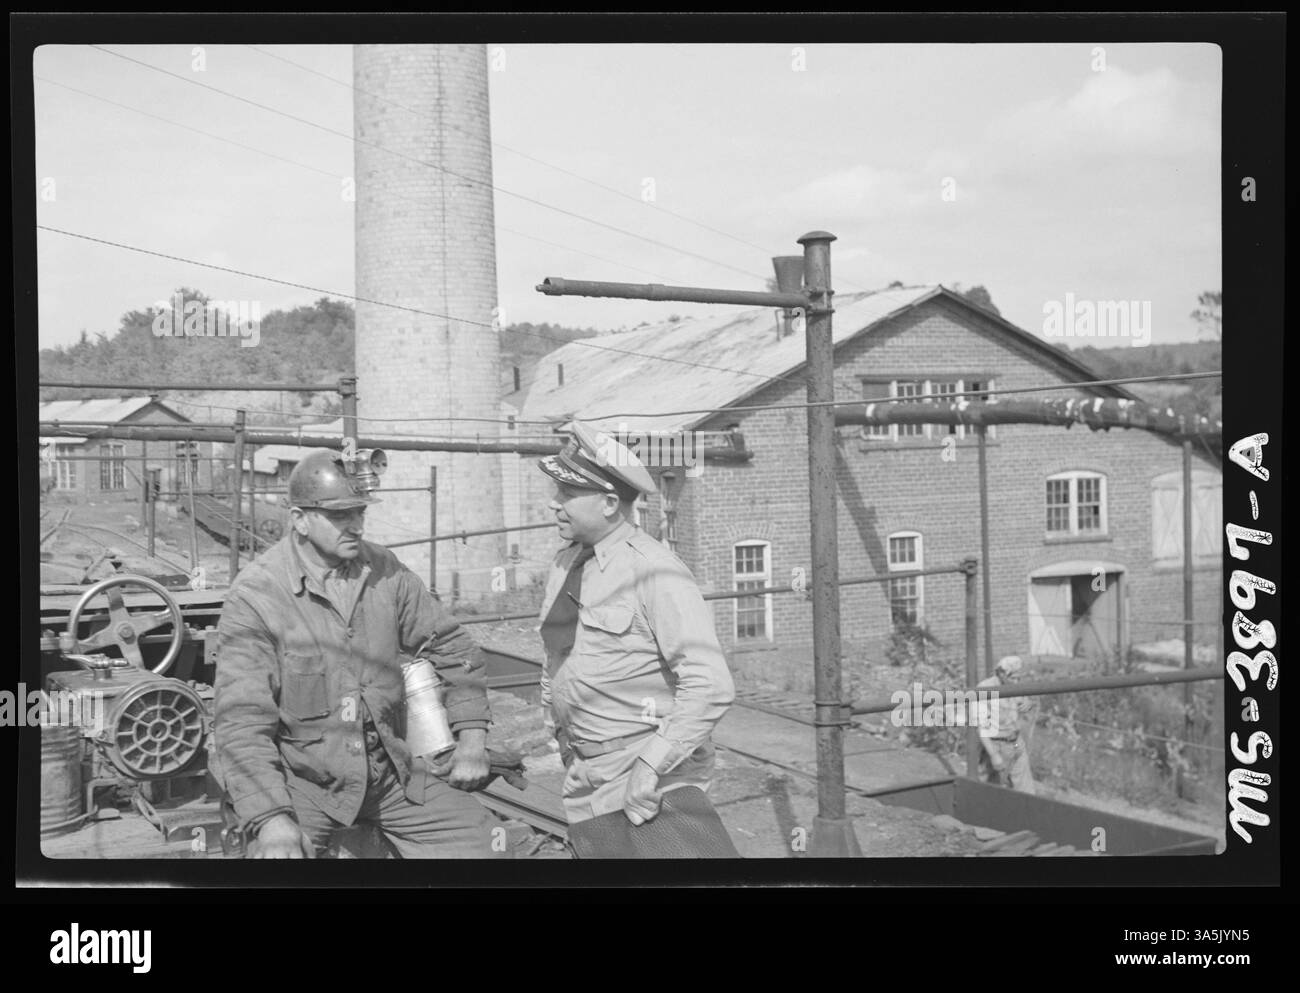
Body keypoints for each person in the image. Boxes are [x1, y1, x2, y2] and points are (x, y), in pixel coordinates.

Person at [212, 448, 501, 858]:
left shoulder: (384, 571)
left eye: (359, 512)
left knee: (486, 845)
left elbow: (452, 646)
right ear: (299, 519)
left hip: (388, 776)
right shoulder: (257, 594)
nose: (355, 526)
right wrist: (272, 819)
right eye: (339, 515)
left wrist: (471, 739)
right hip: (302, 785)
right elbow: (242, 721)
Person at [536, 421, 735, 833]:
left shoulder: (655, 570)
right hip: (587, 771)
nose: (555, 503)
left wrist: (648, 768)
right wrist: (568, 750)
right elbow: (557, 659)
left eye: (569, 494)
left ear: (609, 503)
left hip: (648, 776)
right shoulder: (565, 562)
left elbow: (710, 685)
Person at [977, 655, 1037, 794]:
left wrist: (1028, 703)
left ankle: (1028, 814)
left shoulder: (1016, 686)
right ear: (1002, 673)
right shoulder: (985, 688)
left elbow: (1025, 702)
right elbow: (981, 727)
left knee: (1027, 791)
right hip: (995, 745)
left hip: (1016, 743)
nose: (1016, 682)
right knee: (991, 792)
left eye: (1018, 678)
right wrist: (993, 755)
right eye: (1013, 678)